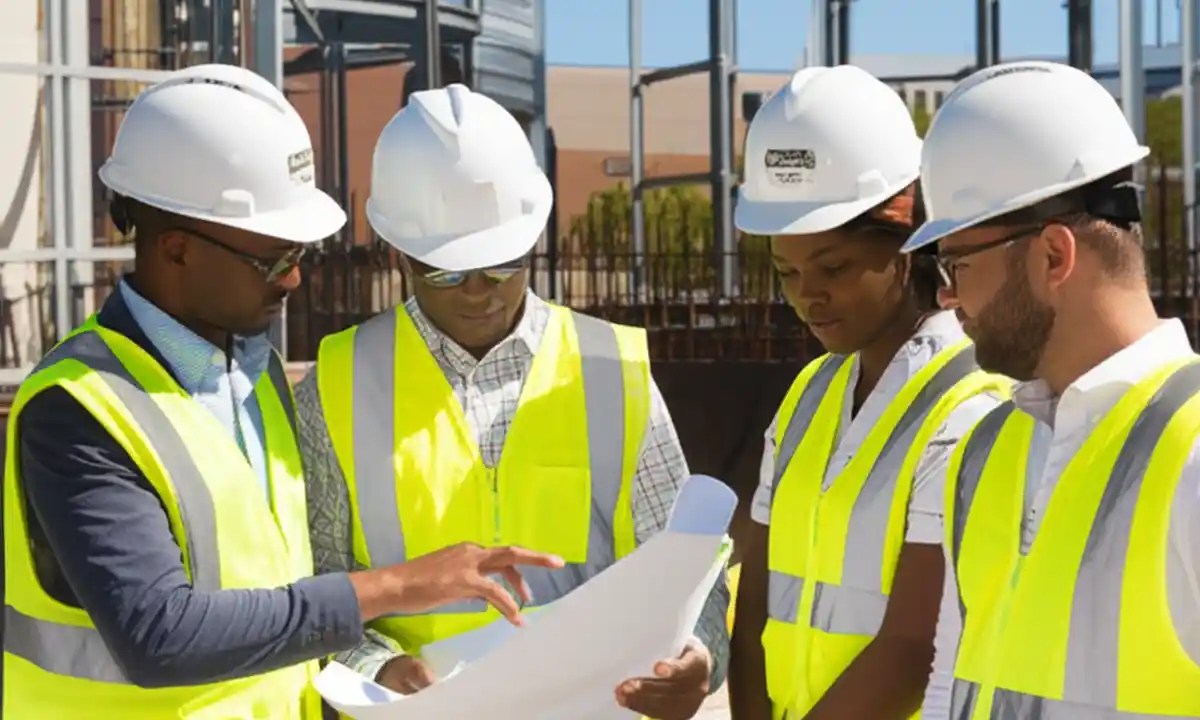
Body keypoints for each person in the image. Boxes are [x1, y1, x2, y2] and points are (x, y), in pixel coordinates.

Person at [2, 64, 561, 720]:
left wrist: (378, 669)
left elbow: (278, 596)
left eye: (302, 255)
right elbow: (158, 635)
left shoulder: (257, 374)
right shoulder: (80, 410)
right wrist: (395, 587)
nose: (294, 281)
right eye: (274, 259)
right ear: (177, 251)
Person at [293, 83, 730, 719]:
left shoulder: (611, 368)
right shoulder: (338, 380)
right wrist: (378, 666)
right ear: (399, 255)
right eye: (445, 271)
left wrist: (699, 654)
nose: (478, 291)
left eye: (503, 265)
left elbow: (690, 560)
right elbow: (316, 587)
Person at [903, 60, 1200, 718]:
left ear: (1054, 255)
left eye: (957, 262)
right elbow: (951, 686)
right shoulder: (982, 454)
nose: (946, 293)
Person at [727, 64, 1009, 720]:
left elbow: (914, 649)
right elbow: (755, 614)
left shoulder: (972, 404)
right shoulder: (810, 394)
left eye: (834, 267)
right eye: (786, 271)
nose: (807, 295)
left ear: (909, 244)